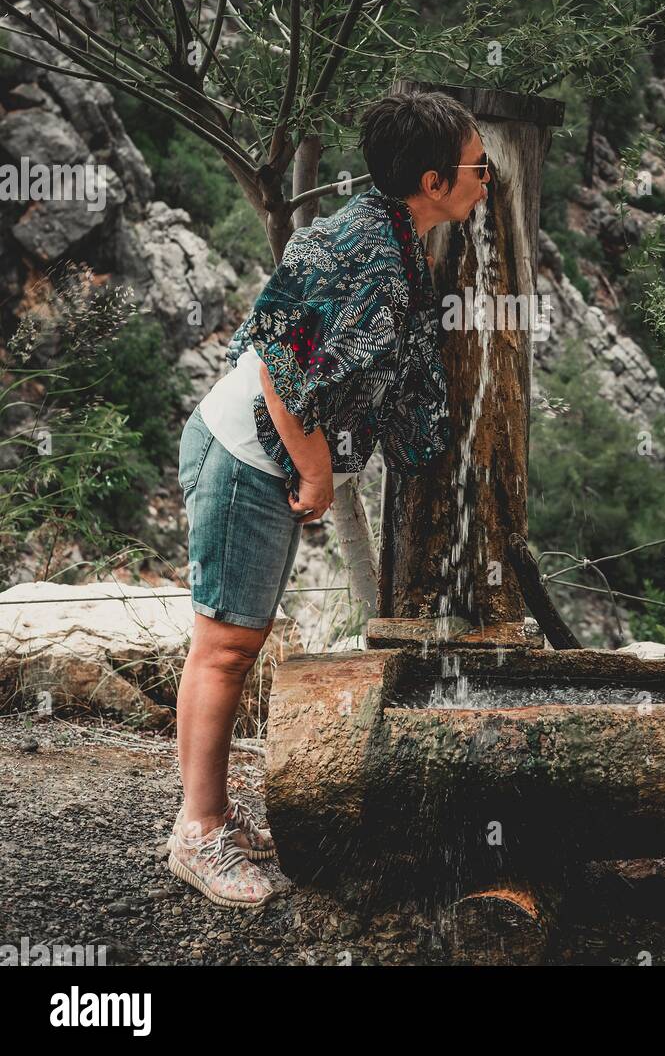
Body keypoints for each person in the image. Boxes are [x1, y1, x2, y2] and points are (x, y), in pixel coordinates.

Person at [169, 89, 491, 908]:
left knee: (237, 640)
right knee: (228, 645)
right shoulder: (359, 250)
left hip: (268, 458)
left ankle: (213, 818)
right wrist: (314, 470)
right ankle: (198, 832)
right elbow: (277, 353)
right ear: (431, 180)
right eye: (476, 165)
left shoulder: (401, 236)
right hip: (250, 458)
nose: (488, 176)